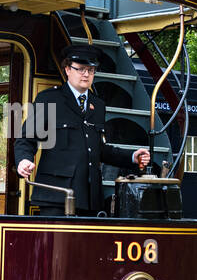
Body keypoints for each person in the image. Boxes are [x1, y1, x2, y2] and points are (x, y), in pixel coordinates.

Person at [15, 45, 151, 216]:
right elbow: (27, 138)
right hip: (56, 195)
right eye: (80, 69)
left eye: (91, 70)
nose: (86, 74)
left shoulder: (98, 105)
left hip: (89, 197)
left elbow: (99, 149)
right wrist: (24, 160)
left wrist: (132, 156)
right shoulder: (49, 99)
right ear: (67, 69)